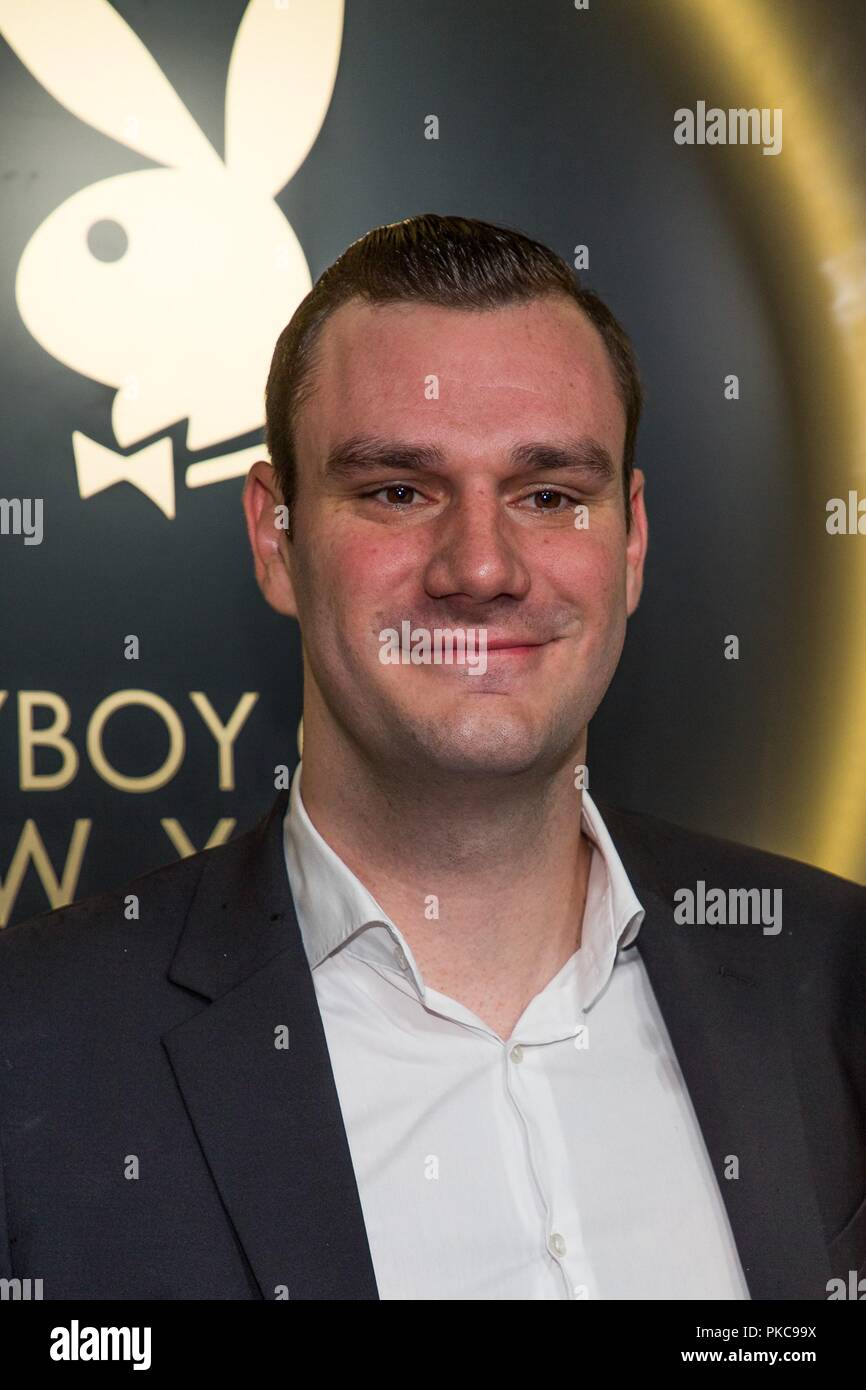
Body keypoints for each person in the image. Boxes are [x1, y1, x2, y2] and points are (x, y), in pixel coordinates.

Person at [1, 214, 864, 1301]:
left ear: (631, 541)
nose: (480, 566)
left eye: (549, 494)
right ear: (277, 537)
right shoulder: (32, 1053)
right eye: (397, 491)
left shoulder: (832, 978)